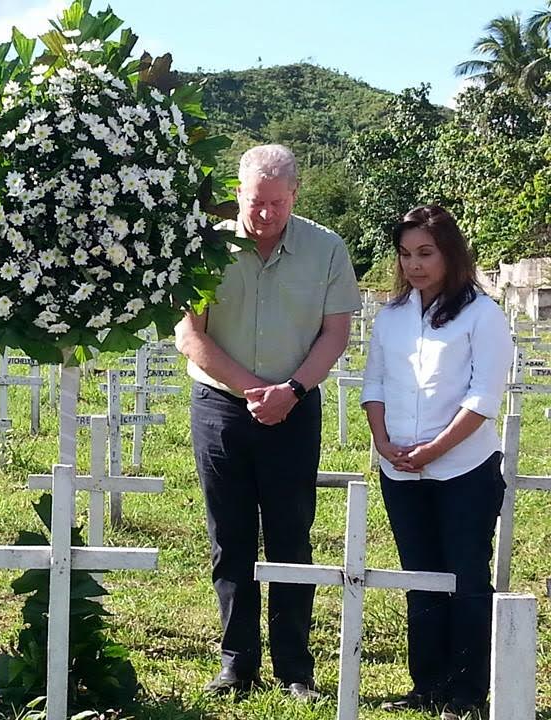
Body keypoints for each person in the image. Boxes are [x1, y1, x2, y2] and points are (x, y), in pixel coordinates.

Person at [175, 144, 361, 700]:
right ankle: (237, 662)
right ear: (239, 194)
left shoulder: (326, 248)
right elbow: (190, 334)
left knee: (290, 534)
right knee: (228, 535)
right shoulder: (206, 248)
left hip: (295, 404)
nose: (266, 214)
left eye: (278, 203)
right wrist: (252, 389)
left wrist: (293, 389)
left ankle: (294, 668)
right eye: (257, 202)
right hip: (221, 406)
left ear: (295, 195)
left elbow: (335, 333)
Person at [360, 205, 512, 720]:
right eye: (405, 255)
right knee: (419, 577)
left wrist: (434, 451)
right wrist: (383, 440)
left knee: (466, 576)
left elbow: (482, 398)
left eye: (425, 253)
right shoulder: (391, 317)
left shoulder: (482, 315)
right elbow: (375, 383)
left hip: (464, 469)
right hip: (400, 469)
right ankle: (426, 684)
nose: (414, 265)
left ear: (450, 253)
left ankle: (467, 691)